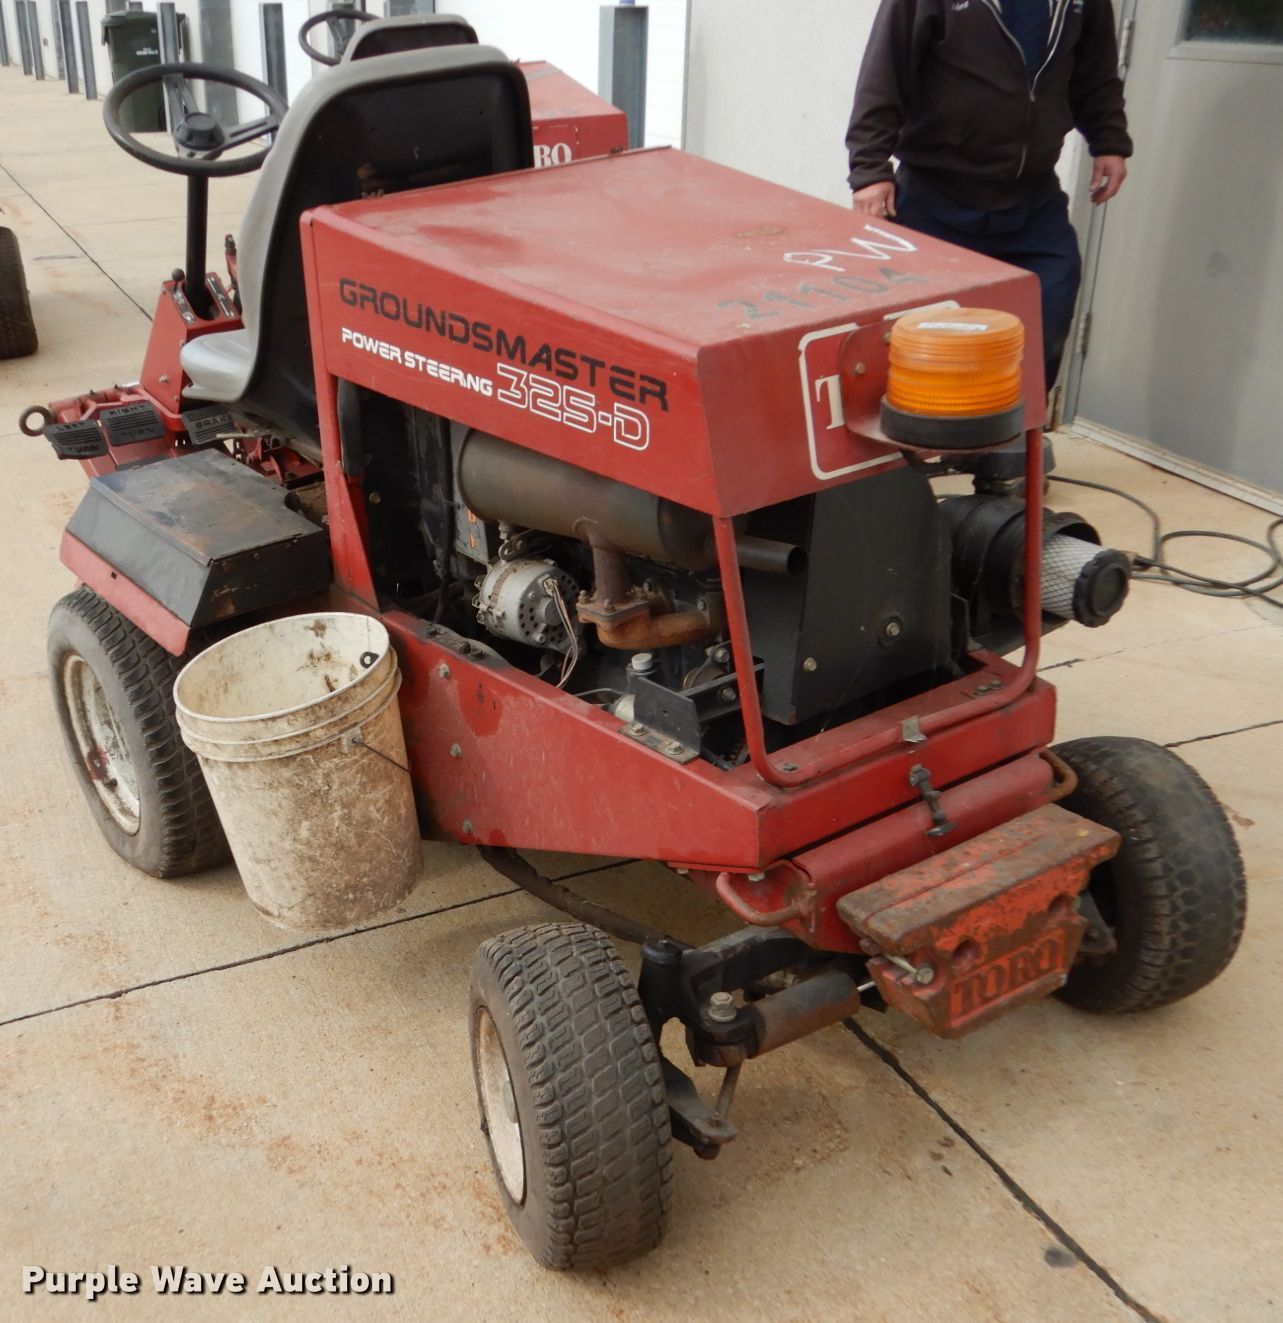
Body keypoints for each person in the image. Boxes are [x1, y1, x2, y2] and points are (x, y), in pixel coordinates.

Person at [846, 0, 1132, 489]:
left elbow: (1095, 72)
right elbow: (884, 71)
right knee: (912, 332)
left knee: (1050, 302)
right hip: (935, 191)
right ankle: (896, 464)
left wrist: (1109, 140)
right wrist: (870, 169)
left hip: (1031, 195)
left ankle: (1009, 448)